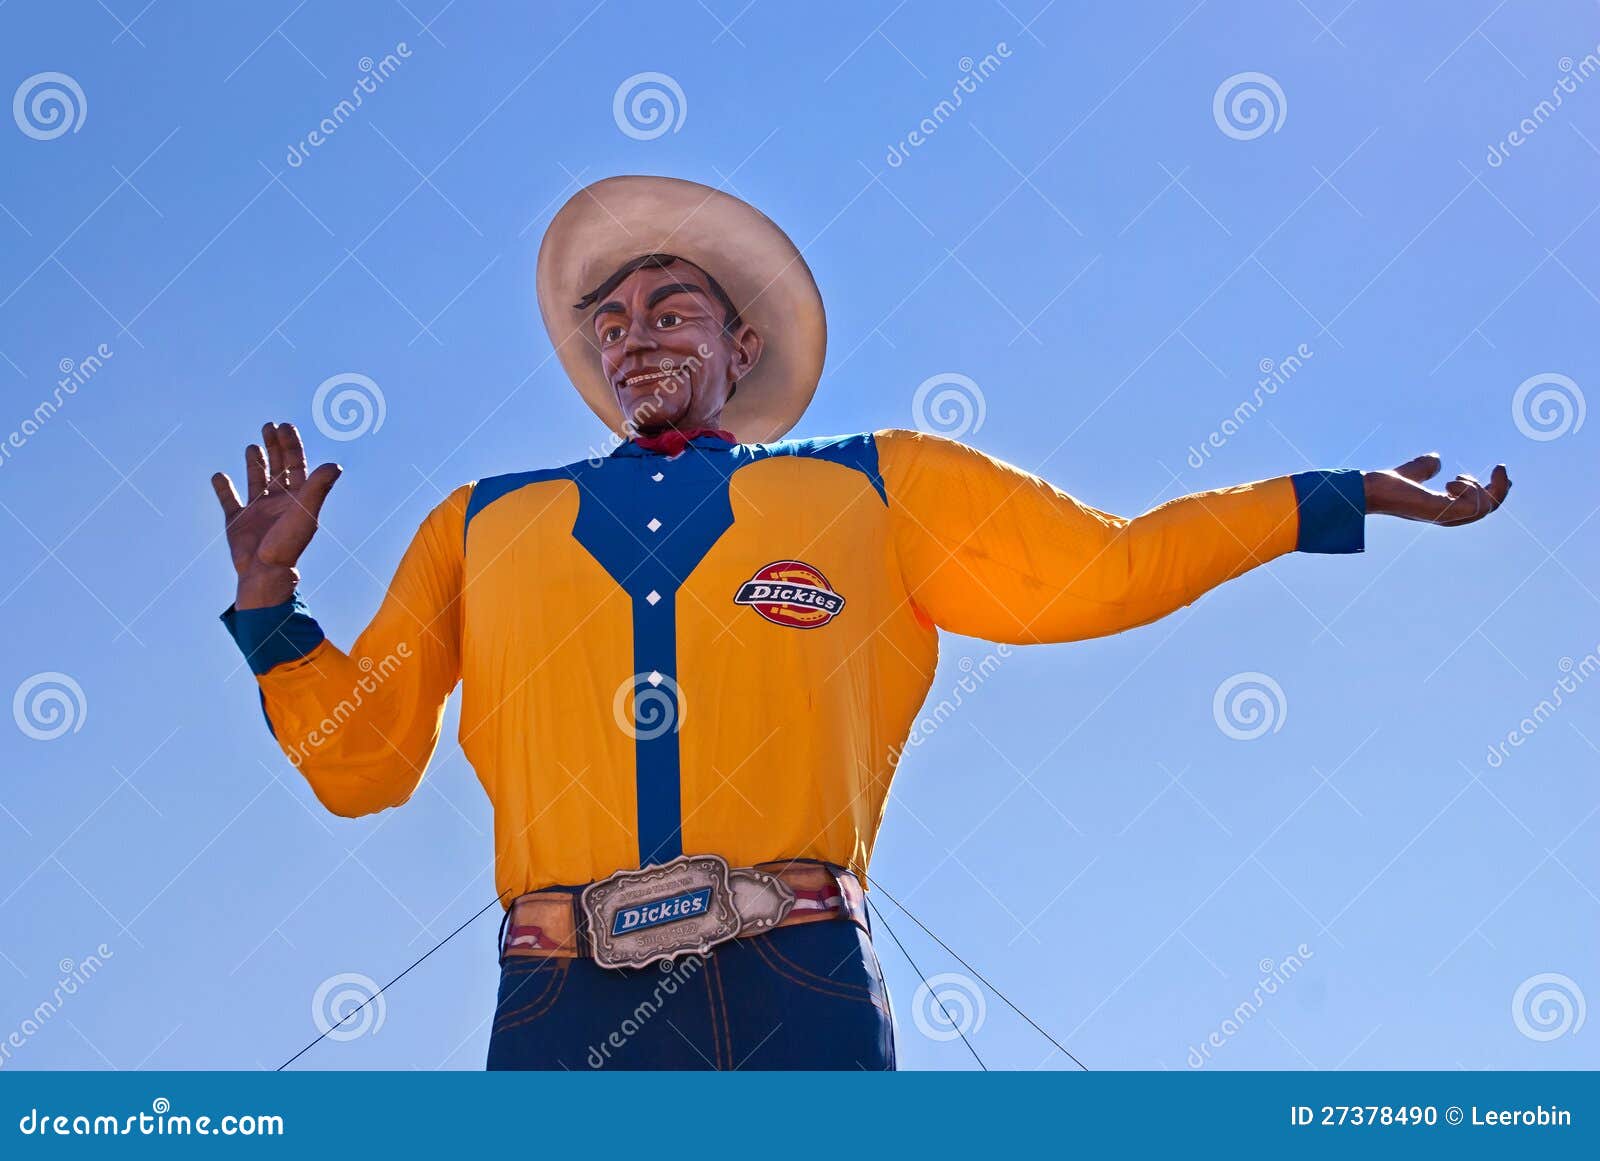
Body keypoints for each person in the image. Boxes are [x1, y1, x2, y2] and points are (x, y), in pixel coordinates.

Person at [211, 176, 1510, 1070]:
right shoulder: (480, 523)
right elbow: (363, 760)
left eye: (670, 311)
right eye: (610, 324)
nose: (634, 337)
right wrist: (271, 605)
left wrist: (1326, 499)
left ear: (741, 347)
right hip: (564, 1005)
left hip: (800, 979)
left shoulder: (874, 488)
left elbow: (1106, 570)